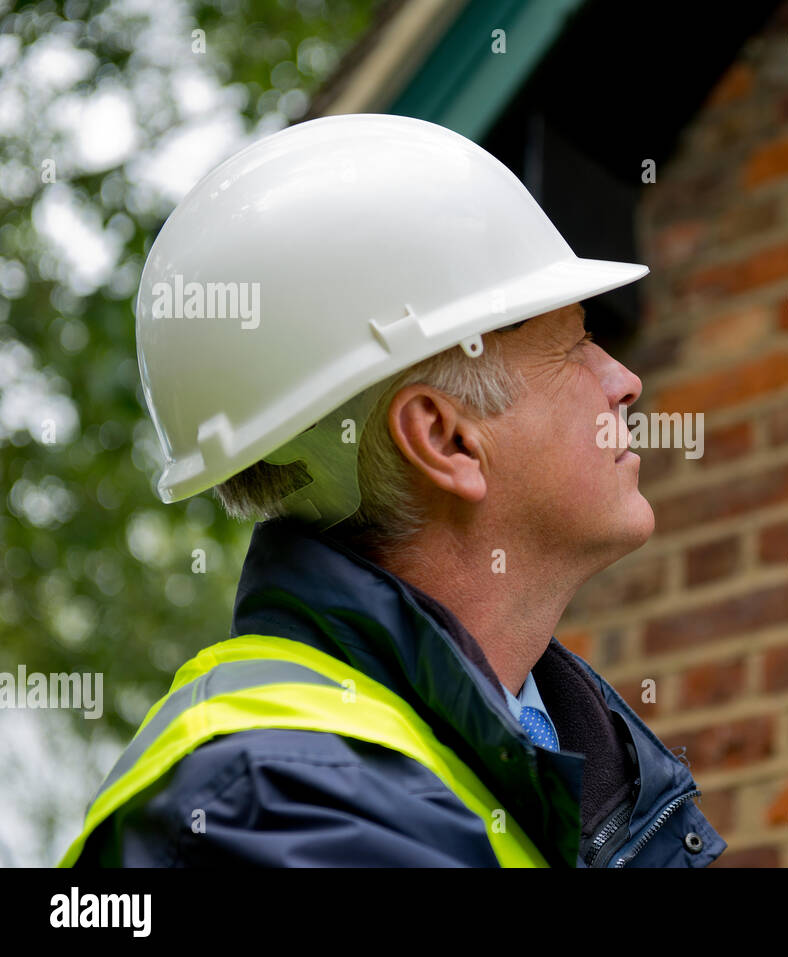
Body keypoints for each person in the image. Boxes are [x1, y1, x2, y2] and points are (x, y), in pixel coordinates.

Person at [58, 114, 726, 867]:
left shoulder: (532, 766)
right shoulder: (272, 805)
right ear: (446, 439)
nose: (624, 381)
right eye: (573, 345)